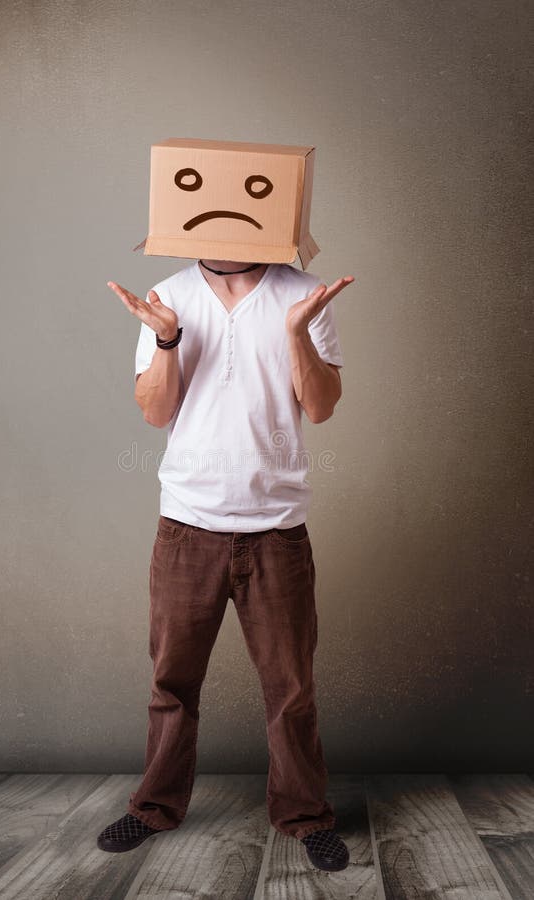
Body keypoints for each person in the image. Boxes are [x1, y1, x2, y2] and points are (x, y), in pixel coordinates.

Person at [97, 257, 354, 872]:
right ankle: (154, 806)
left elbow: (320, 408)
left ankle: (304, 815)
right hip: (188, 526)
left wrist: (296, 334)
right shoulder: (171, 295)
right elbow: (155, 412)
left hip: (277, 532)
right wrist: (167, 337)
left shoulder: (304, 294)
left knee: (291, 689)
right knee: (171, 683)